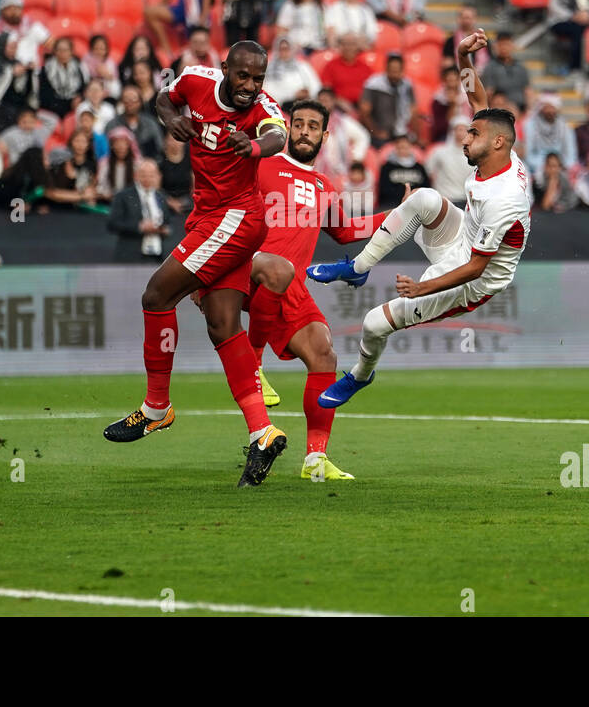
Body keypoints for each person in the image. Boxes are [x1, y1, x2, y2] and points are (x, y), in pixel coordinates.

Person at [306, 30, 530, 409]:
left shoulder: (505, 199)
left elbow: (476, 268)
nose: (464, 137)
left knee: (374, 323)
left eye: (472, 133)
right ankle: (357, 267)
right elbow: (477, 97)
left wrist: (424, 289)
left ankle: (360, 375)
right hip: (464, 237)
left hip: (473, 278)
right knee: (424, 196)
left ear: (496, 143)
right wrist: (462, 57)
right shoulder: (496, 151)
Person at [101, 42, 291, 491]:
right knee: (223, 326)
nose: (250, 87)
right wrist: (171, 120)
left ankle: (155, 408)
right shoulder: (195, 79)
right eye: (242, 76)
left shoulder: (262, 109)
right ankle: (262, 432)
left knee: (156, 295)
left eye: (258, 79)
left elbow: (277, 133)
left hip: (237, 218)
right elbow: (164, 99)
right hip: (209, 215)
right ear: (226, 69)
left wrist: (257, 147)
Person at [240, 98, 386, 480]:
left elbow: (346, 231)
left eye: (312, 126)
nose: (304, 131)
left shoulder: (324, 185)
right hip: (252, 270)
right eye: (298, 124)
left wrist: (398, 215)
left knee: (324, 355)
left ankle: (315, 460)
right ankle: (252, 367)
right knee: (279, 272)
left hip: (292, 285)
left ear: (325, 134)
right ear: (288, 129)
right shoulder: (263, 166)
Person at [108, 157, 171, 261]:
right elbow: (112, 223)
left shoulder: (161, 196)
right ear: (135, 175)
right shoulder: (123, 196)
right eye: (143, 175)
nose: (147, 179)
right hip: (131, 255)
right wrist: (139, 226)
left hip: (157, 255)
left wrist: (164, 230)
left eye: (151, 175)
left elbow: (168, 223)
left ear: (157, 176)